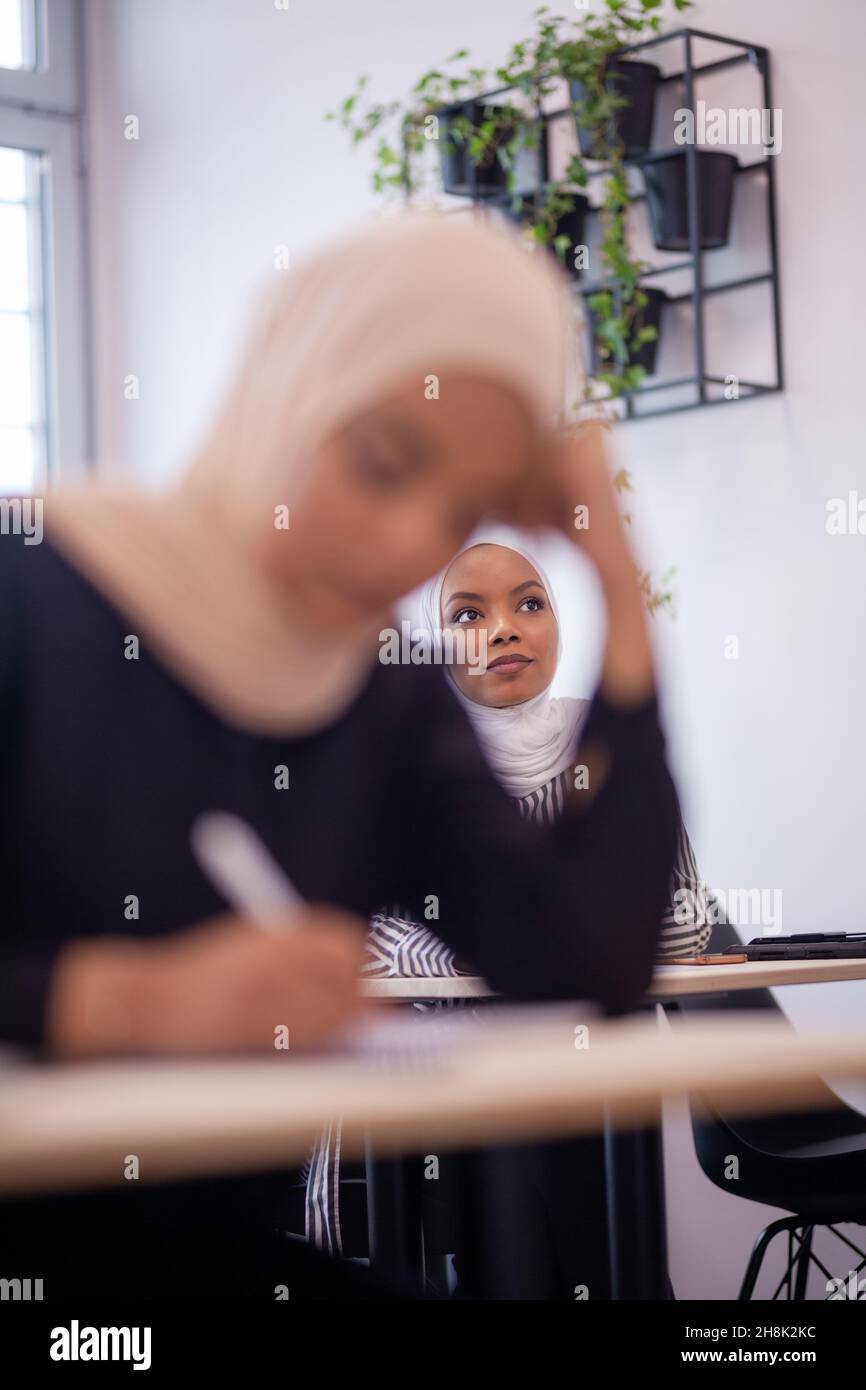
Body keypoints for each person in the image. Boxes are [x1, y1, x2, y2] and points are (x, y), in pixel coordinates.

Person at [0, 208, 679, 1299]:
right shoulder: (32, 587)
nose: (414, 544)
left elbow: (582, 960)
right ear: (289, 388)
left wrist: (616, 584)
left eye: (461, 509)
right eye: (380, 463)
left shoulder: (384, 700)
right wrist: (112, 1001)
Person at [307, 536, 710, 1270]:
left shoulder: (610, 748)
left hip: (592, 1082)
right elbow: (362, 941)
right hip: (449, 1093)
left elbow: (688, 919)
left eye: (530, 603)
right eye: (467, 614)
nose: (502, 628)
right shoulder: (414, 767)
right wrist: (569, 936)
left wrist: (544, 939)